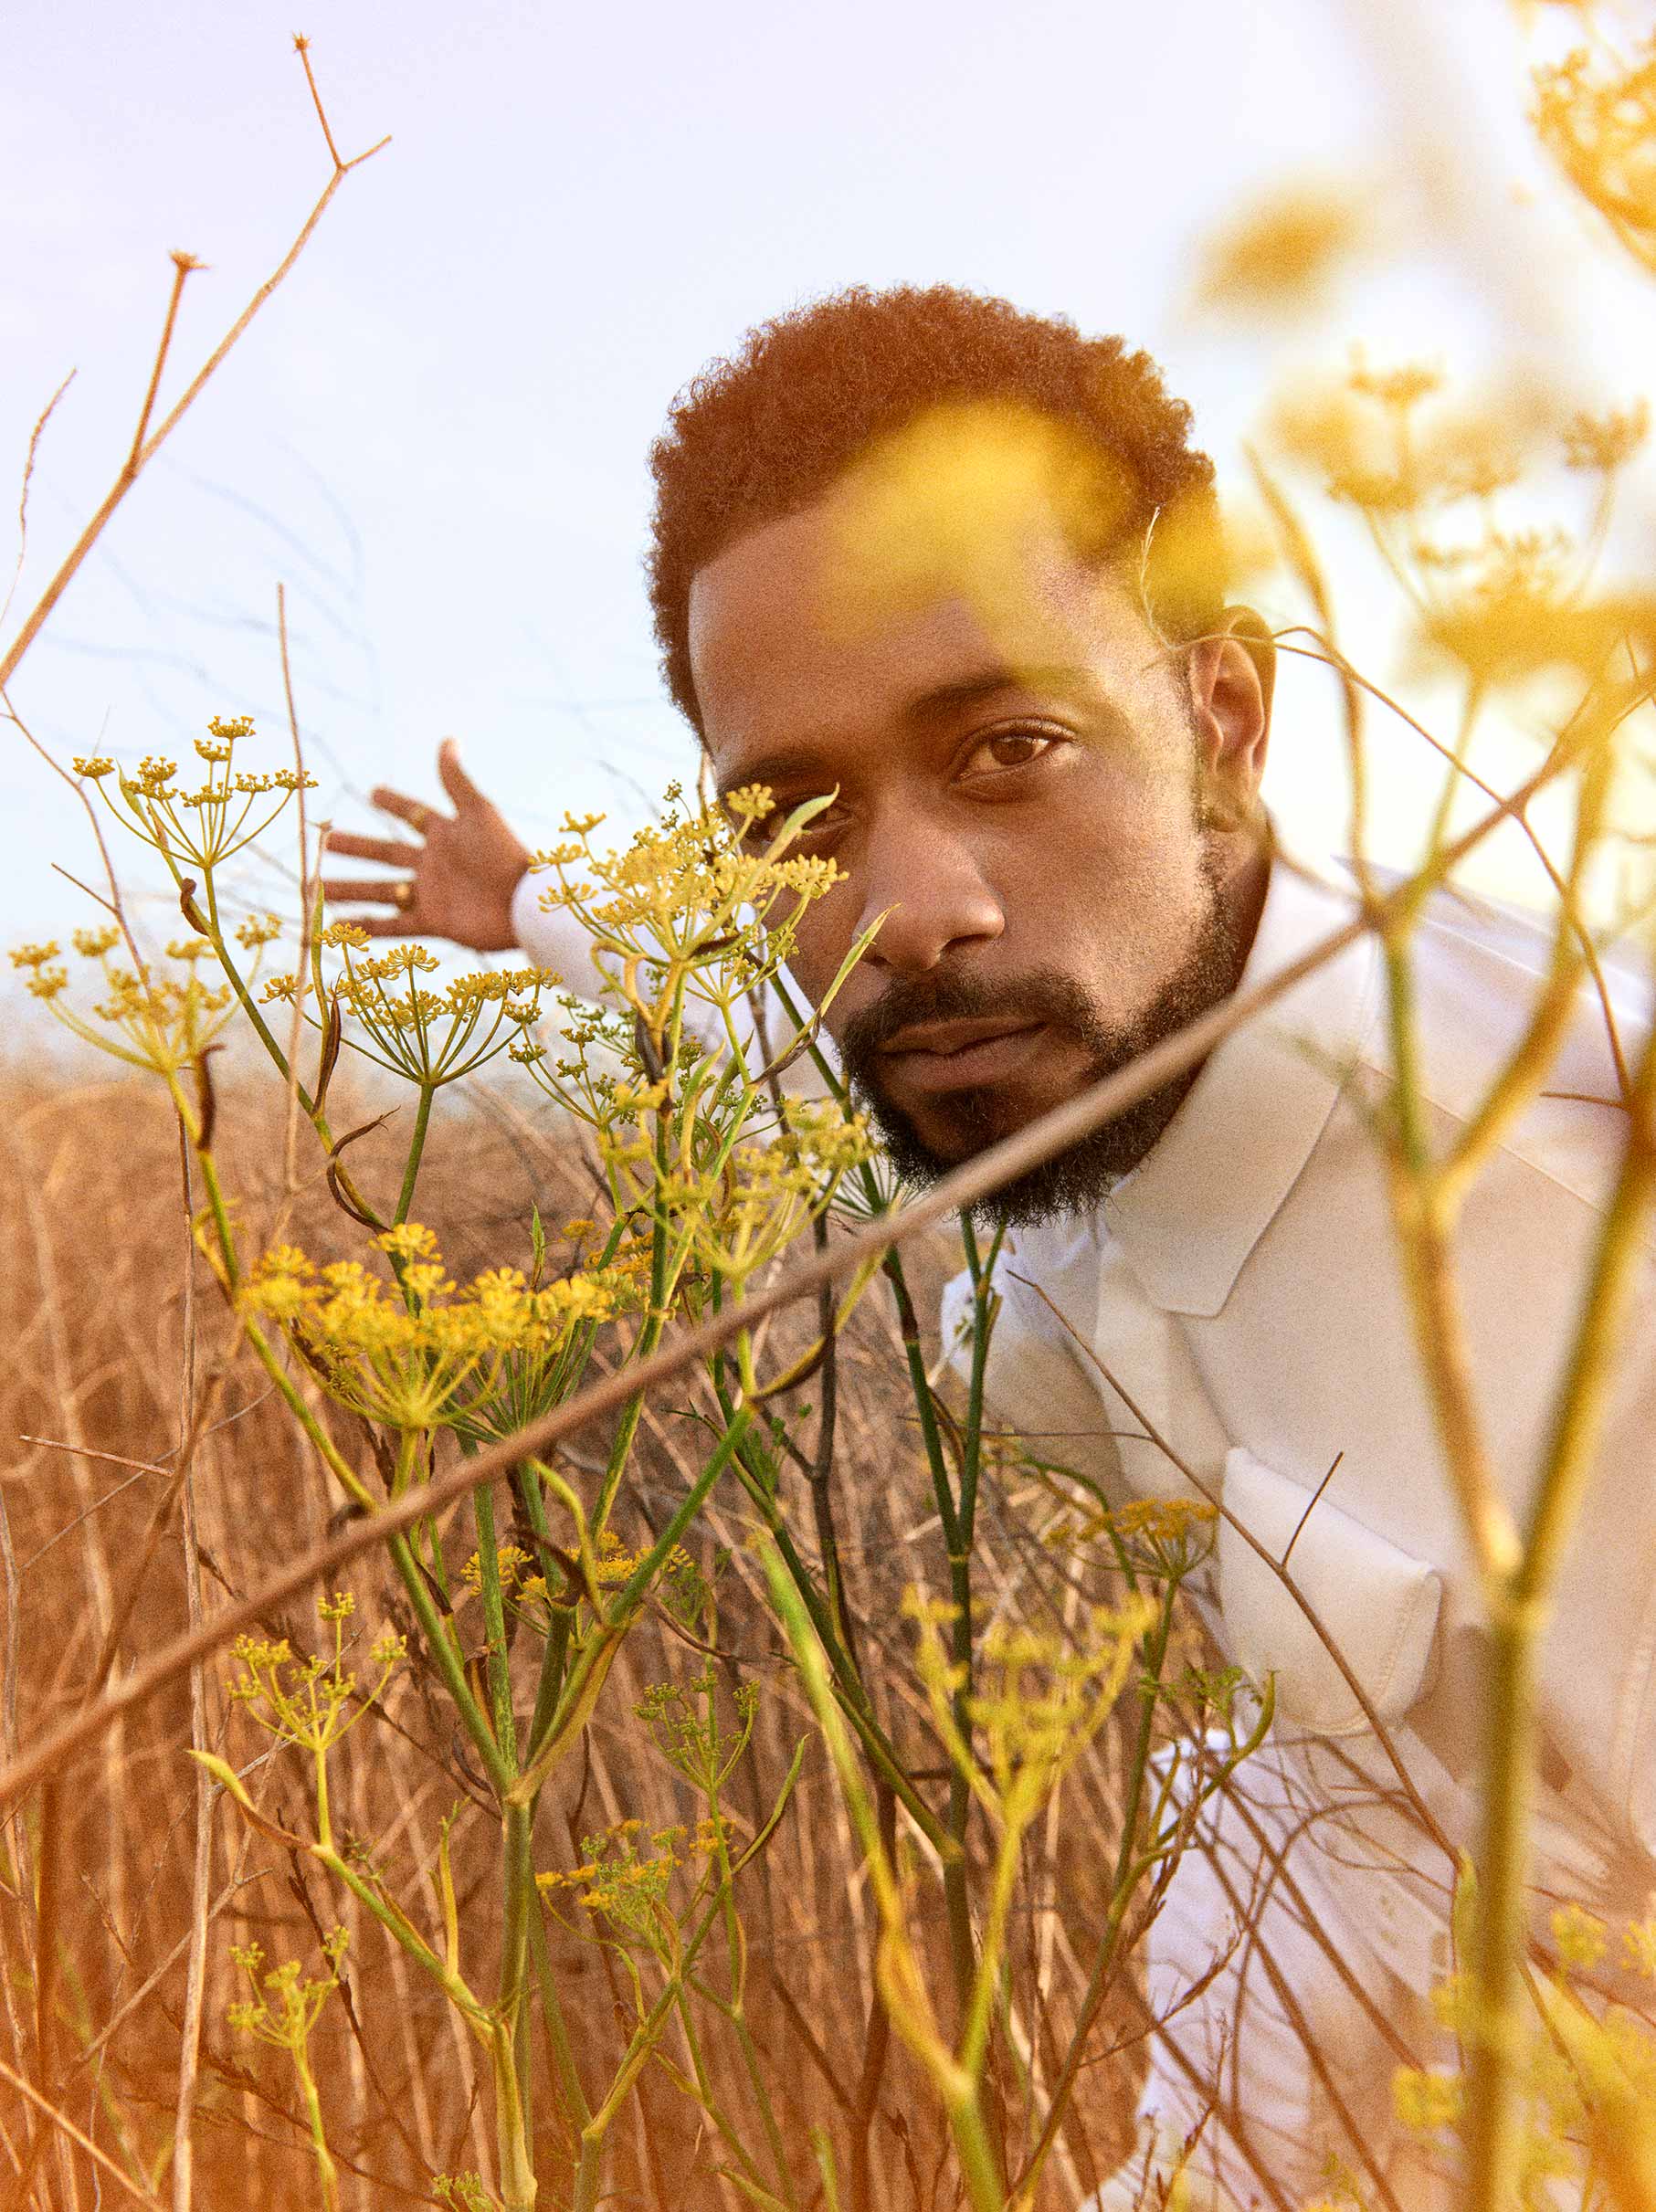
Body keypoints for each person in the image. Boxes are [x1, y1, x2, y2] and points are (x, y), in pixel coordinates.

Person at [322, 285, 1656, 2207]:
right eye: (793, 820)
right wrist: (526, 905)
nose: (907, 910)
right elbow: (753, 1031)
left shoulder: (1548, 1140)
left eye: (1013, 745)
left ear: (1220, 721)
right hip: (1316, 1936)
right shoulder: (975, 1051)